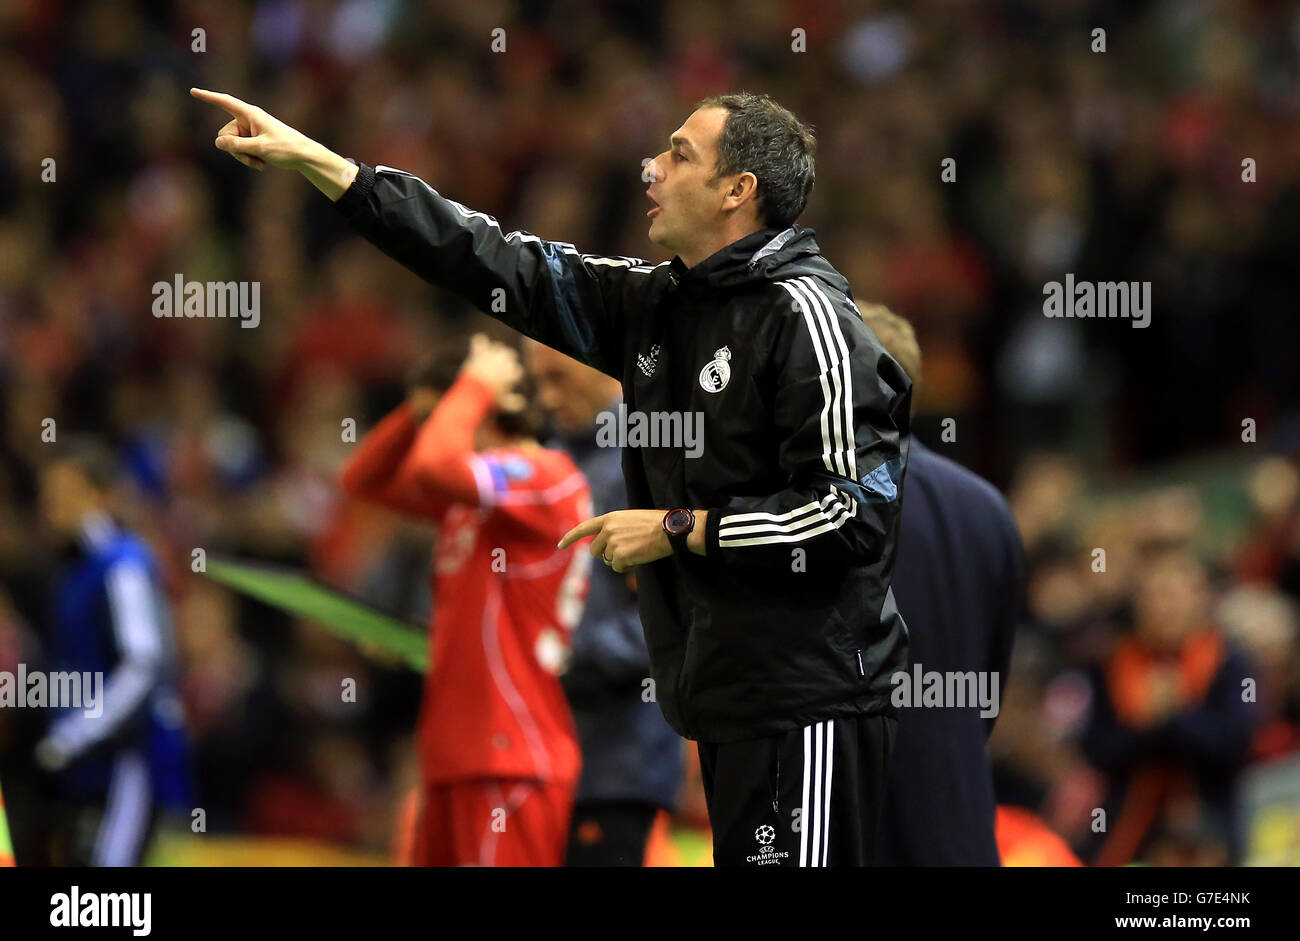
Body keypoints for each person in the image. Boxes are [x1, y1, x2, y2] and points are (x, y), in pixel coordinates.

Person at [195, 87, 912, 866]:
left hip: (810, 701)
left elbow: (853, 511)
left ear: (739, 191)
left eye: (679, 154)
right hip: (730, 700)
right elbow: (495, 258)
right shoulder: (660, 302)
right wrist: (329, 167)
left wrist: (680, 529)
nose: (652, 170)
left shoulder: (809, 317)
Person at [341, 335, 591, 866]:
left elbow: (434, 467)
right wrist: (425, 405)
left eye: (449, 414)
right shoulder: (469, 506)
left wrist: (472, 387)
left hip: (510, 754)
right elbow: (362, 480)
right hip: (453, 757)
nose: (435, 429)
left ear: (487, 406)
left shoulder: (545, 479)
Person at [856, 302, 1023, 866]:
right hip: (960, 816)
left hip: (854, 820)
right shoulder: (987, 506)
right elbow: (993, 673)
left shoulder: (819, 508)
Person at [525, 340, 685, 865]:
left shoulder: (652, 457)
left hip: (618, 764)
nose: (547, 398)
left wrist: (571, 657)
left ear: (600, 362)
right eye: (537, 382)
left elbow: (675, 610)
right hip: (538, 753)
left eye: (560, 378)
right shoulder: (541, 461)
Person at [36, 438, 191, 866]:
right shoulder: (69, 572)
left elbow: (143, 668)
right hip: (86, 769)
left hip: (130, 761)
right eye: (49, 495)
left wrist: (73, 735)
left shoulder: (124, 564)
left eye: (67, 494)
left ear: (100, 495)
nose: (53, 506)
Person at [1079, 545, 1255, 866]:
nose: (1162, 608)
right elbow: (1097, 749)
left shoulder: (1229, 662)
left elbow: (1236, 743)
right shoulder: (1111, 664)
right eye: (1153, 596)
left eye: (1172, 595)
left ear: (1200, 598)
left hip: (1209, 826)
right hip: (1128, 826)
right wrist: (1147, 726)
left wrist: (1175, 716)